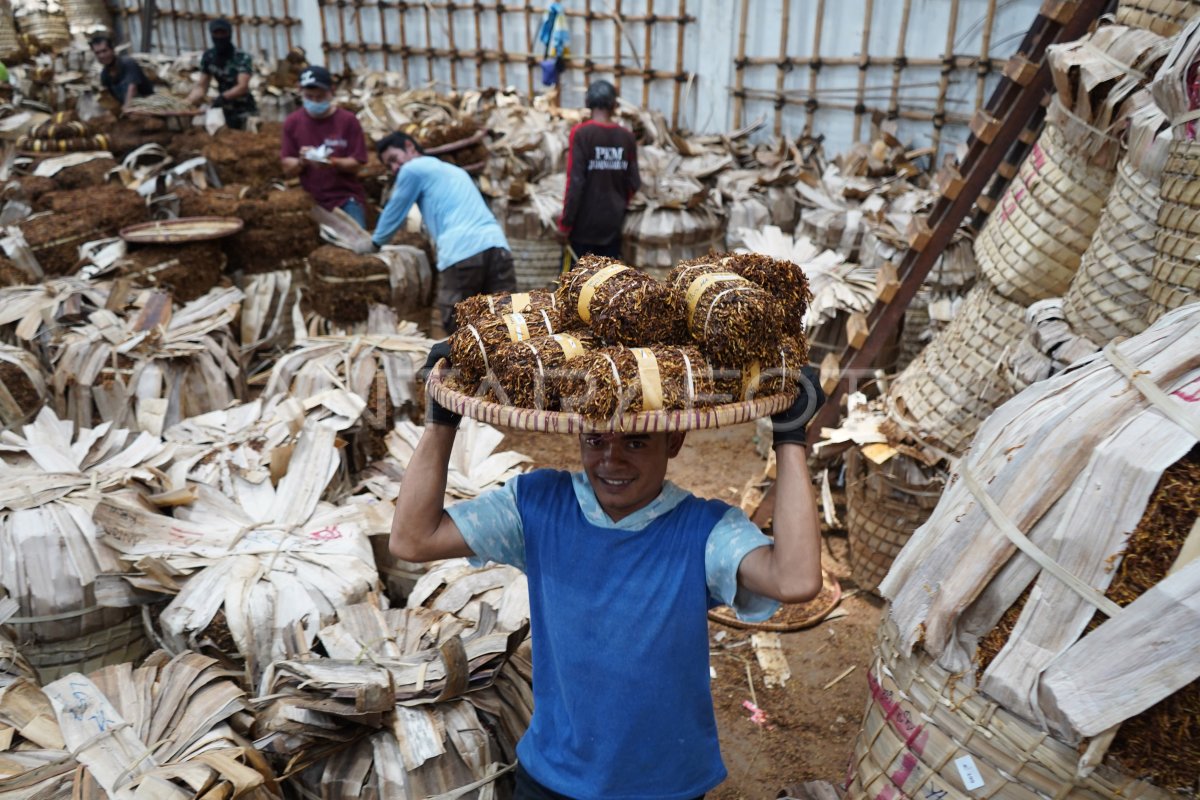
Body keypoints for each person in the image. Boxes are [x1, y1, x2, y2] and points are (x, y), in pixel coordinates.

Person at [391, 344, 826, 800]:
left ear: (673, 440)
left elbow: (795, 580)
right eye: (595, 439)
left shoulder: (703, 532)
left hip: (665, 786)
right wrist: (441, 422)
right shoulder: (538, 506)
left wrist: (790, 439)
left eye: (635, 442)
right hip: (551, 777)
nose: (611, 461)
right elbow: (412, 539)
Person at [371, 133, 514, 333]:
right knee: (507, 323)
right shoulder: (453, 170)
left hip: (462, 253)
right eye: (389, 166)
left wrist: (375, 243)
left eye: (394, 159)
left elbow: (394, 211)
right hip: (498, 247)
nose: (395, 169)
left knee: (458, 330)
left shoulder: (413, 169)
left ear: (409, 146)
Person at [558, 80, 640, 260]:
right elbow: (634, 183)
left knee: (576, 283)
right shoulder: (627, 137)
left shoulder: (581, 133)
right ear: (614, 105)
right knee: (608, 284)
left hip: (582, 228)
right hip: (614, 226)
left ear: (588, 103)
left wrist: (565, 224)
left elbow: (575, 182)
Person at [280, 65, 368, 226]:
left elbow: (357, 163)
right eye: (309, 97)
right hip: (312, 200)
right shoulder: (293, 122)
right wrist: (302, 161)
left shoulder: (348, 121)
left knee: (356, 245)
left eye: (319, 97)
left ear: (331, 91)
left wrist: (331, 162)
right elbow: (287, 166)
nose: (314, 101)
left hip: (345, 198)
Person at [186, 18, 258, 130]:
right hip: (222, 110)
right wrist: (188, 102)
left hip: (243, 109)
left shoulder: (241, 57)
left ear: (229, 34)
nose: (219, 37)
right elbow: (202, 86)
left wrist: (223, 97)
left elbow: (242, 86)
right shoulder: (209, 56)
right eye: (216, 33)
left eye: (223, 33)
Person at [90, 34, 154, 108]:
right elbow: (110, 97)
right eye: (97, 53)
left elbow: (132, 88)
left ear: (112, 49)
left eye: (104, 51)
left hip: (148, 105)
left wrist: (126, 108)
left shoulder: (128, 63)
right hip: (128, 109)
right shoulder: (104, 75)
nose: (102, 56)